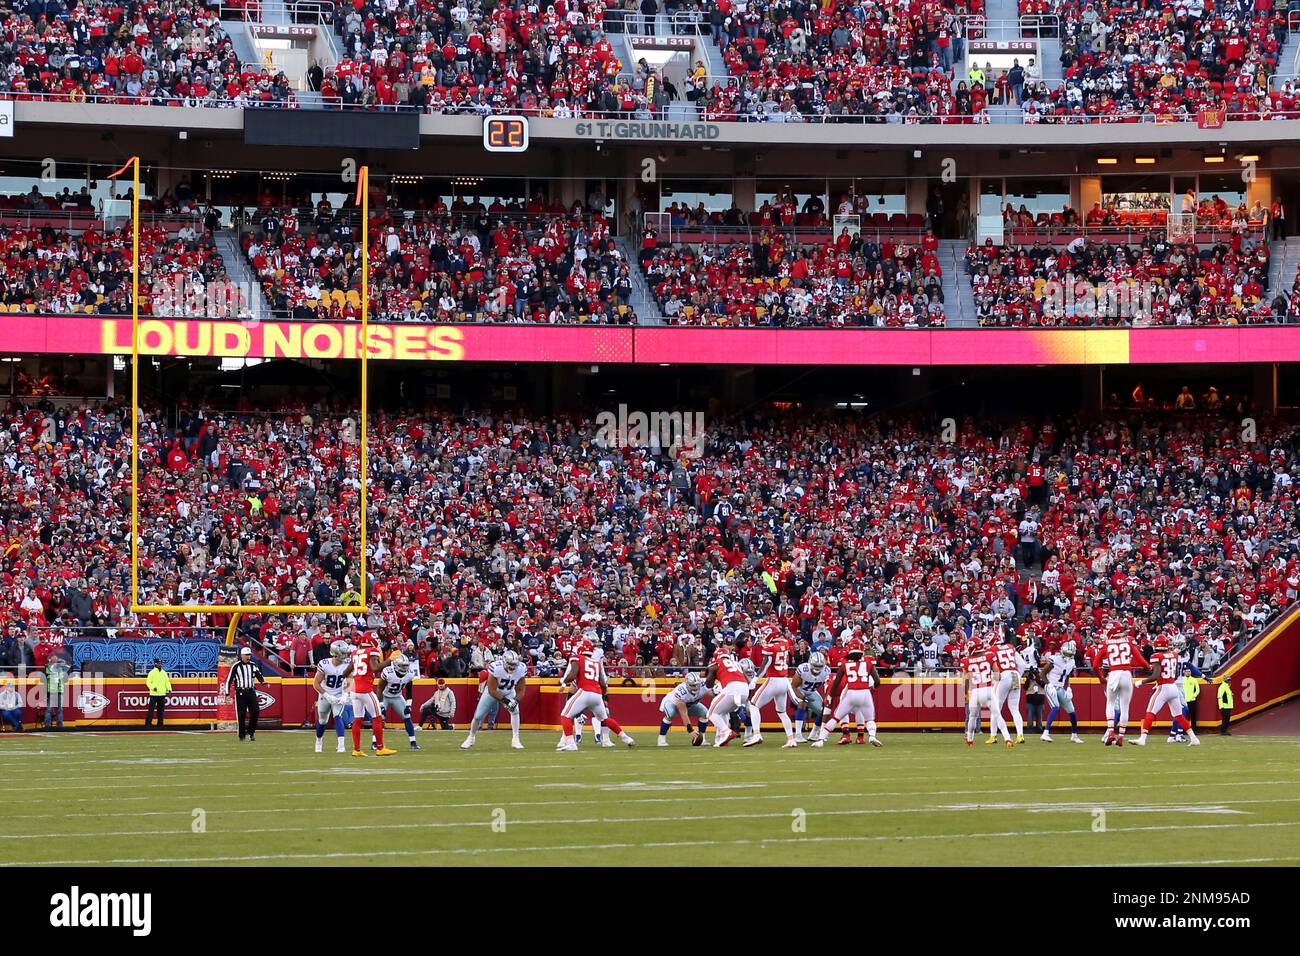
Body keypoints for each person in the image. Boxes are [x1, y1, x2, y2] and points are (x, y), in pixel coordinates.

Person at [461, 648, 528, 750]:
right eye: (511, 664)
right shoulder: (496, 667)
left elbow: (521, 689)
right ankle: (471, 737)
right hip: (493, 692)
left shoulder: (521, 668)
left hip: (509, 691)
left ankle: (516, 738)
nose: (513, 667)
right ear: (505, 662)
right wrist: (505, 701)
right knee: (478, 716)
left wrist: (515, 701)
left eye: (515, 664)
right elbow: (492, 690)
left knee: (515, 711)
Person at [312, 639, 352, 753]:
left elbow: (350, 680)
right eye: (343, 653)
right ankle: (319, 741)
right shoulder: (325, 664)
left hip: (339, 693)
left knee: (337, 716)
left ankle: (341, 745)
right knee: (322, 720)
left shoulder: (347, 664)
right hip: (325, 693)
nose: (345, 655)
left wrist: (345, 694)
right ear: (336, 653)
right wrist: (327, 695)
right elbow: (316, 683)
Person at [223, 646, 266, 742]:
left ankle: (251, 732)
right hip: (240, 692)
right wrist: (227, 693)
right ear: (241, 655)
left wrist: (263, 682)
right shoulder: (236, 666)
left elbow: (258, 674)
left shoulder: (253, 665)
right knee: (241, 715)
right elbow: (229, 680)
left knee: (255, 711)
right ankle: (241, 735)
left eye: (249, 655)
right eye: (246, 655)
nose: (248, 656)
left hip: (251, 691)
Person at [144, 658, 172, 728]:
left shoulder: (164, 672)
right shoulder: (152, 672)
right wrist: (153, 687)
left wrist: (169, 688)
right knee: (151, 710)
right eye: (159, 663)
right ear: (155, 664)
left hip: (162, 694)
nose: (160, 664)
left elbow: (167, 681)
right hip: (154, 694)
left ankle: (160, 724)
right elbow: (148, 682)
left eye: (161, 663)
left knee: (161, 710)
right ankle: (148, 724)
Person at [44, 655, 70, 730]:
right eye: (53, 659)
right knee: (49, 709)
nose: (55, 661)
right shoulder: (47, 667)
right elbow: (45, 676)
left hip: (59, 691)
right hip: (51, 691)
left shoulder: (61, 668)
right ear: (50, 660)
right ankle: (47, 726)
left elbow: (65, 678)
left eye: (56, 659)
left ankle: (60, 725)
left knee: (60, 709)